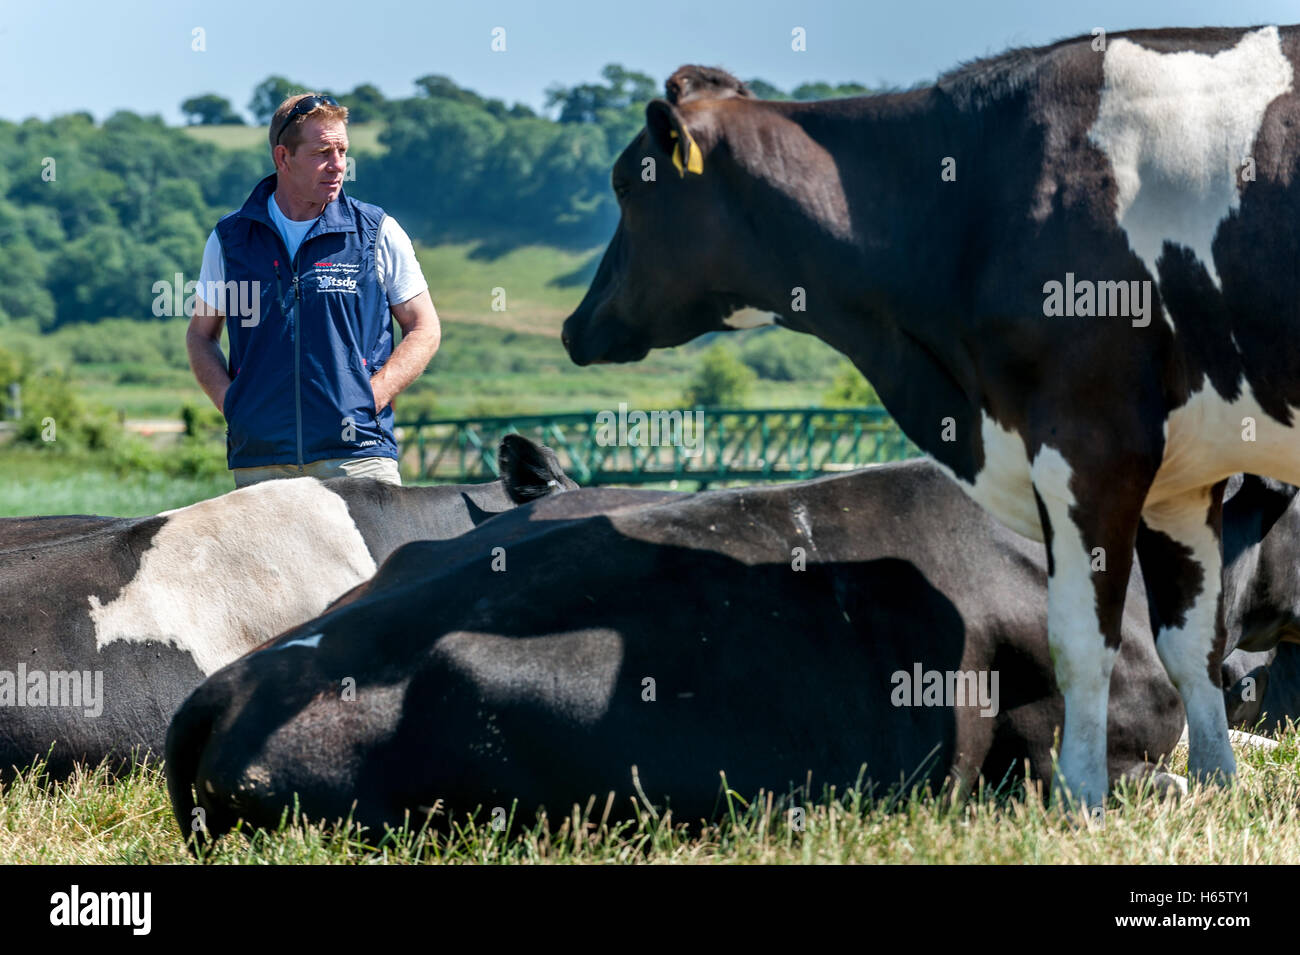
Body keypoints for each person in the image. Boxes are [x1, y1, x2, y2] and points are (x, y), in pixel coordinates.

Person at [186, 93, 440, 487]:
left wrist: (368, 399)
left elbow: (424, 328)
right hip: (262, 462)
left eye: (342, 151)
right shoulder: (231, 239)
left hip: (357, 457)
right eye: (323, 152)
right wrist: (236, 406)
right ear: (283, 158)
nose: (338, 165)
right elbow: (201, 336)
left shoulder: (376, 232)